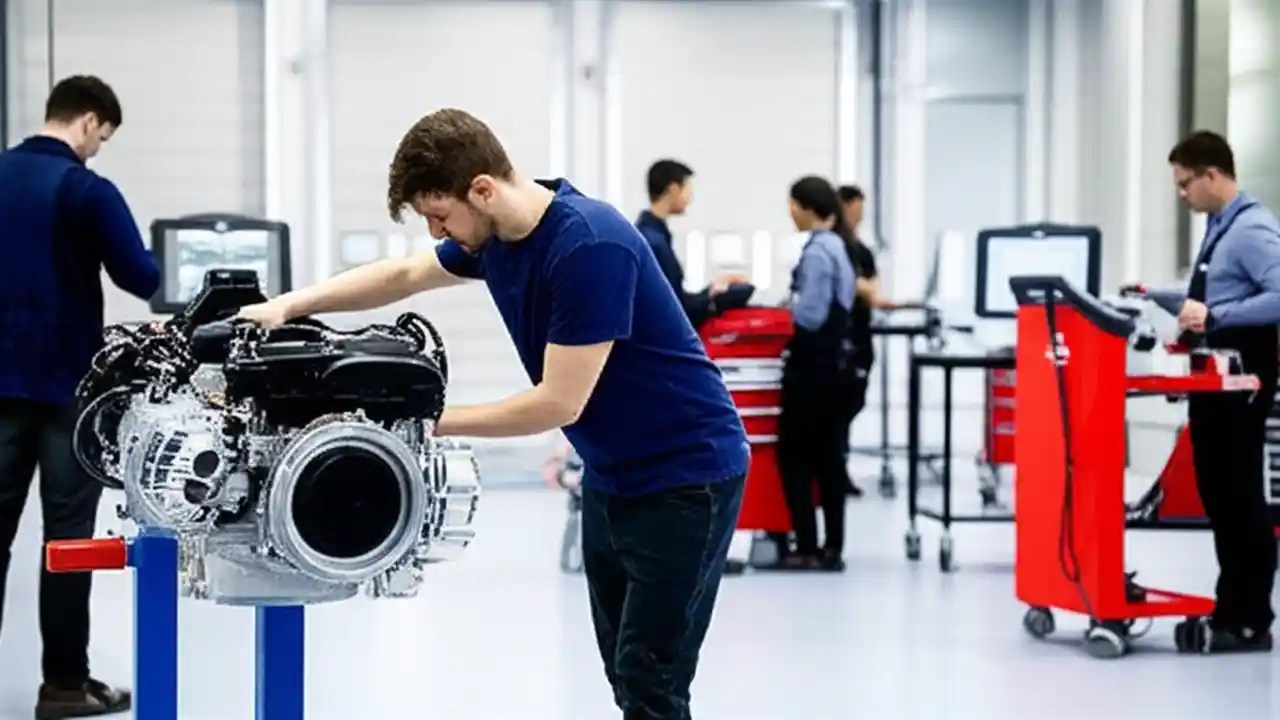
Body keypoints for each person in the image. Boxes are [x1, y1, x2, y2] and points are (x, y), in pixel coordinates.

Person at [236, 108, 749, 717]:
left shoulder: (589, 246)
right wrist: (287, 307)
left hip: (687, 475)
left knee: (652, 680)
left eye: (440, 216)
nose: (437, 233)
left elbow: (558, 402)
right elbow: (403, 274)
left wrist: (420, 421)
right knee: (625, 671)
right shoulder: (496, 240)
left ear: (482, 189)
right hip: (614, 473)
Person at [0, 75, 154, 718]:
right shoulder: (85, 189)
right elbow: (140, 276)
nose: (96, 150)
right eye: (102, 138)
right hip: (66, 390)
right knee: (66, 540)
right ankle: (64, 686)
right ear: (89, 122)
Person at [1168, 130, 1279, 652]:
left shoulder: (1252, 228)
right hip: (1214, 374)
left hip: (1242, 377)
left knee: (1239, 495)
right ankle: (1229, 607)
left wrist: (1218, 315)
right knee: (1219, 493)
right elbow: (1215, 294)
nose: (1182, 194)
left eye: (1185, 183)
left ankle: (1250, 619)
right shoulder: (1219, 227)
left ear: (1212, 175)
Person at [773, 176, 859, 572]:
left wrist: (783, 312)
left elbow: (809, 315)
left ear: (807, 208)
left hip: (813, 371)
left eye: (793, 205)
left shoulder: (818, 252)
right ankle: (833, 546)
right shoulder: (839, 246)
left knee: (794, 456)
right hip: (836, 370)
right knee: (829, 460)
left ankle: (806, 545)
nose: (790, 213)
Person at [635, 159, 747, 328]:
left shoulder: (651, 235)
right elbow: (671, 306)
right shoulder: (654, 242)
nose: (689, 197)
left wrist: (712, 290)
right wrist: (711, 296)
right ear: (674, 189)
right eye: (687, 189)